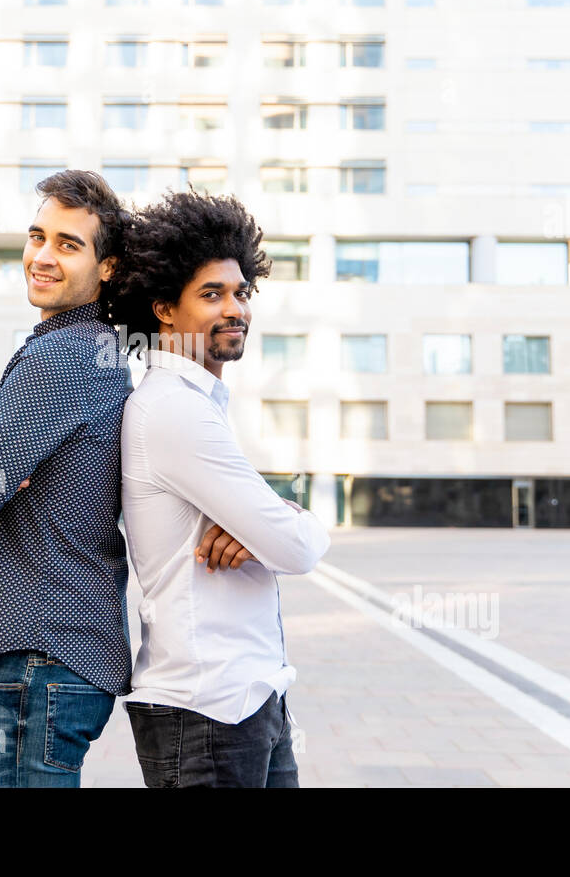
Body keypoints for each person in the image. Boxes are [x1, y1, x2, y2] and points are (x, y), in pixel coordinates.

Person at [108, 188, 330, 788]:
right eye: (212, 294)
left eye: (241, 292)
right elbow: (300, 548)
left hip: (246, 697)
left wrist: (263, 525)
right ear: (163, 309)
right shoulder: (175, 411)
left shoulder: (196, 405)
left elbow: (279, 537)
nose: (236, 308)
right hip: (206, 712)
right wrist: (280, 522)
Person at [0, 170, 132, 788]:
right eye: (37, 236)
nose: (41, 256)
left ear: (107, 269)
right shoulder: (96, 348)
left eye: (68, 244)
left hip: (35, 652)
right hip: (64, 653)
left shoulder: (58, 358)